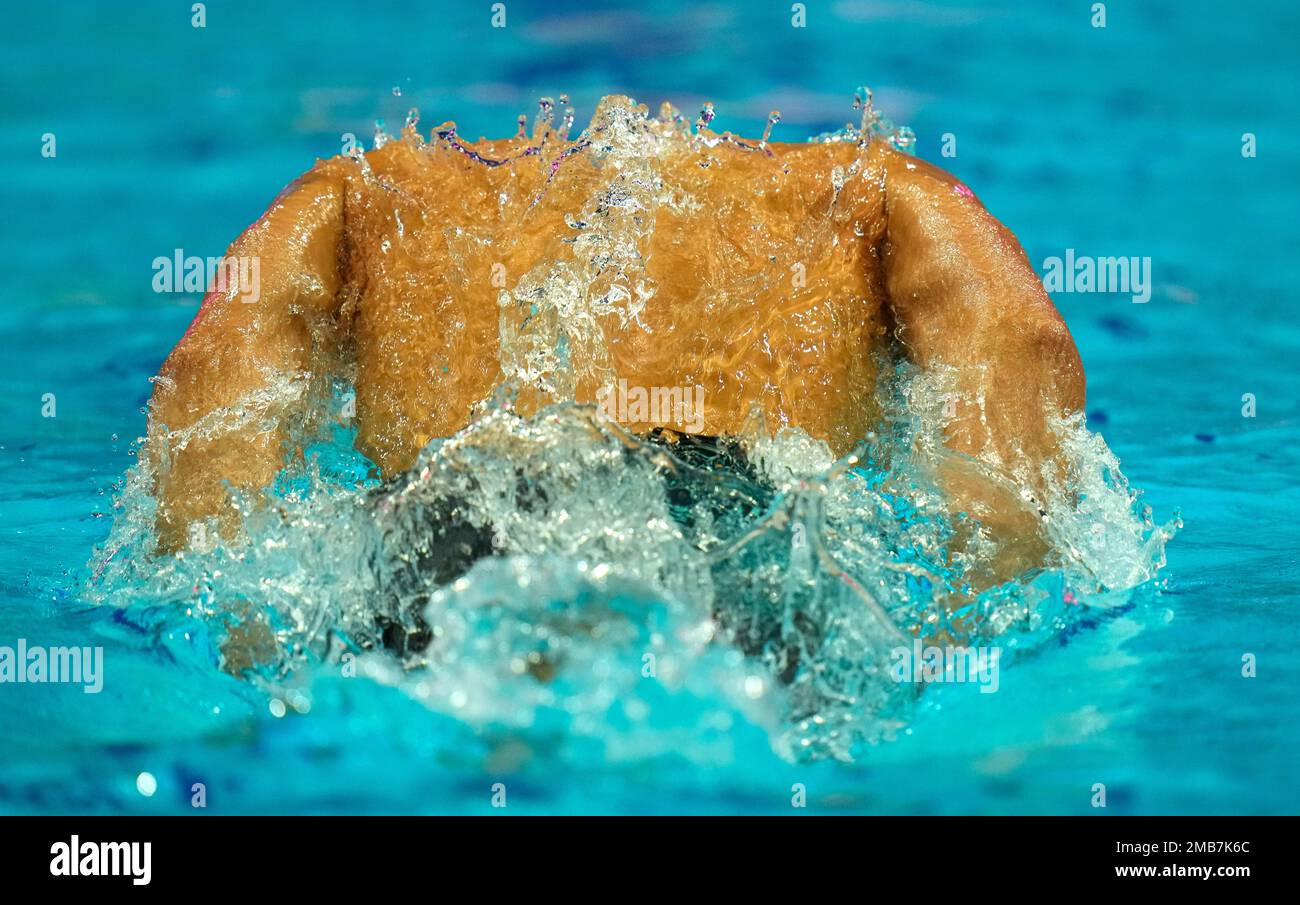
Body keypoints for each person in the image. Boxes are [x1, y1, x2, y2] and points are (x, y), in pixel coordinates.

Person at [147, 95, 1083, 585]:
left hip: (446, 524)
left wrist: (239, 649)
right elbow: (1022, 357)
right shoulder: (871, 191)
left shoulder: (369, 194)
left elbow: (206, 400)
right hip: (731, 523)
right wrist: (974, 622)